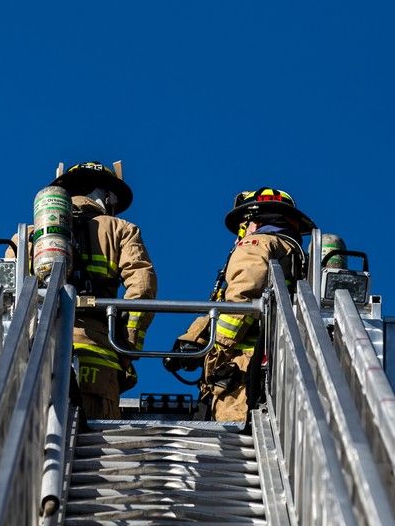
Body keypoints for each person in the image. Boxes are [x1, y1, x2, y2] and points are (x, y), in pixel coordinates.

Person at [176, 188, 314, 422]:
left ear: (253, 219)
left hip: (243, 369)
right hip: (280, 365)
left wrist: (214, 350)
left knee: (235, 435)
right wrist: (191, 341)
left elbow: (241, 300)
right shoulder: (296, 255)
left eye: (242, 224)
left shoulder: (256, 242)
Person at [50, 161, 157, 419]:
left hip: (41, 353)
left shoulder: (33, 234)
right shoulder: (120, 229)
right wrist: (128, 343)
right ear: (107, 197)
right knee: (97, 445)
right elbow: (142, 286)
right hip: (99, 357)